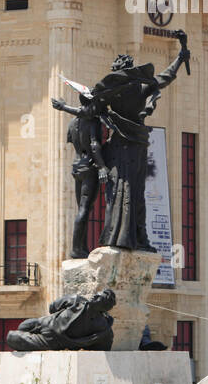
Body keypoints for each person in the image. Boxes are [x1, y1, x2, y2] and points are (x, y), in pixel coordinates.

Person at [91, 31, 190, 252]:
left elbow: (90, 107)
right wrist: (181, 56)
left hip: (122, 147)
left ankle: (122, 237)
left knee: (122, 190)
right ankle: (136, 238)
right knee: (132, 191)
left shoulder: (111, 94)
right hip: (135, 145)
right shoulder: (140, 88)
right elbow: (166, 77)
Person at [50, 90, 111, 259]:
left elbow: (73, 141)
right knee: (84, 208)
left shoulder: (72, 123)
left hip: (76, 167)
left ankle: (81, 247)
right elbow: (93, 145)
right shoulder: (93, 122)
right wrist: (101, 167)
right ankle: (76, 249)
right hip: (89, 167)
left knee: (82, 208)